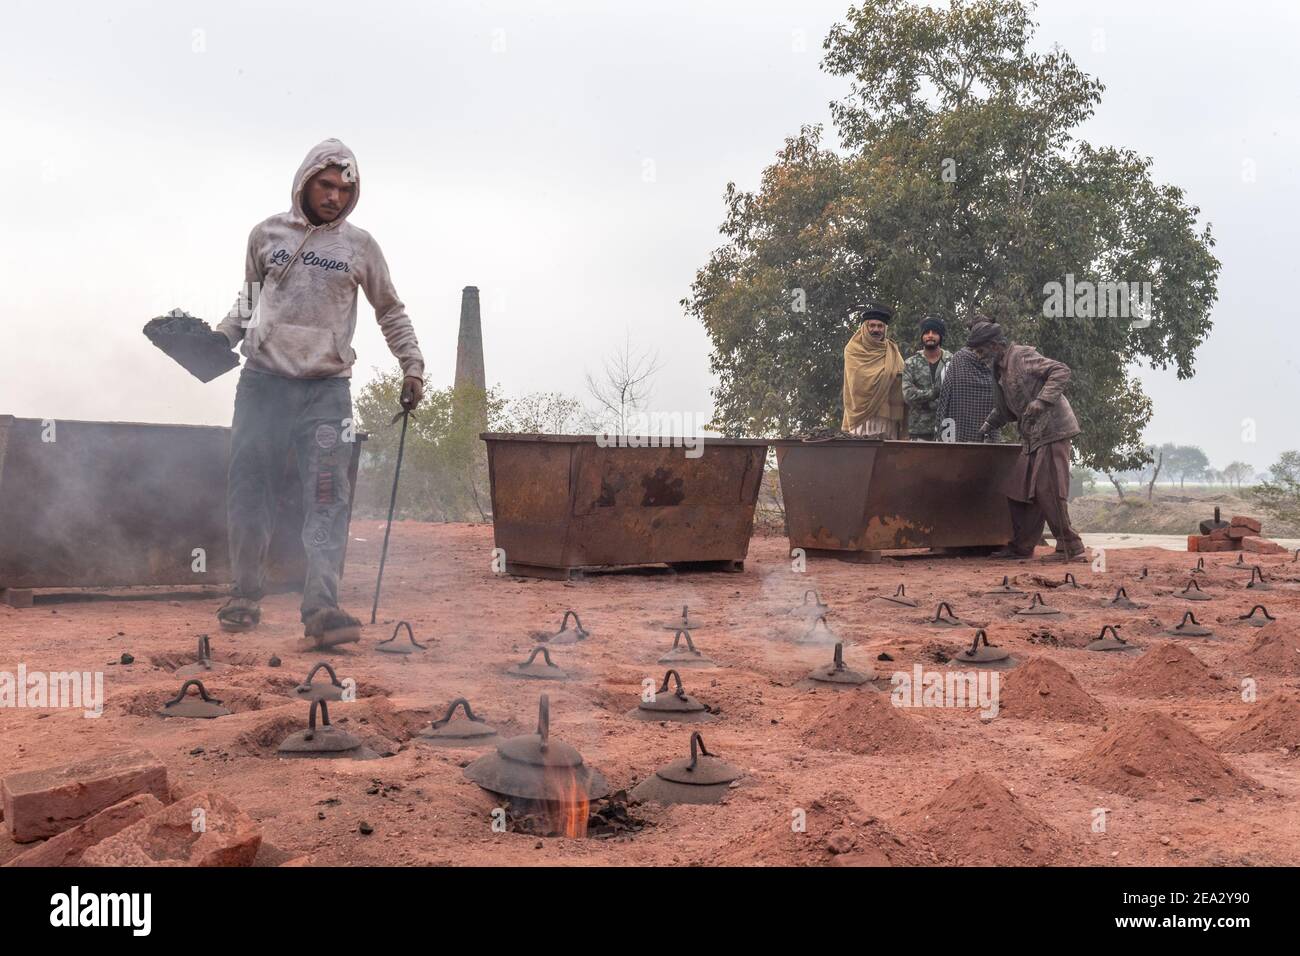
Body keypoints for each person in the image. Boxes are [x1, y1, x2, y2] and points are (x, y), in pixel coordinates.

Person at [211, 138, 426, 646]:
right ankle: (243, 595)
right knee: (249, 490)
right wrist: (214, 341)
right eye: (325, 185)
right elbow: (246, 302)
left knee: (328, 496)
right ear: (305, 181)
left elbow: (389, 309)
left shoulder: (359, 247)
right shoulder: (266, 234)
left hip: (327, 391)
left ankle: (321, 608)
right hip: (263, 382)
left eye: (344, 189)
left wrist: (411, 364)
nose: (334, 196)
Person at [971, 322, 1085, 561]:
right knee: (1018, 489)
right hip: (1033, 435)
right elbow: (1006, 410)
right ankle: (1021, 546)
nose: (979, 356)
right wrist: (987, 425)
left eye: (981, 351)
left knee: (1048, 488)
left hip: (1053, 429)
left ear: (994, 346)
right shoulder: (999, 369)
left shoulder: (1021, 356)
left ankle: (1069, 545)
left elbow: (1061, 370)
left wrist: (1042, 401)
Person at [841, 301, 905, 439]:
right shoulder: (852, 349)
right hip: (860, 419)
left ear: (885, 329)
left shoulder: (892, 350)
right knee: (860, 457)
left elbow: (903, 378)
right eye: (872, 325)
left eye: (880, 326)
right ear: (865, 327)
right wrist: (886, 376)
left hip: (886, 417)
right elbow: (858, 382)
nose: (876, 330)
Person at [935, 316, 997, 442]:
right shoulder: (959, 359)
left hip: (990, 424)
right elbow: (945, 397)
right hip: (960, 426)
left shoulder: (998, 360)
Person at [901, 315, 952, 440]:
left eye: (934, 332)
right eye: (926, 333)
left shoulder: (952, 361)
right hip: (919, 428)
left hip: (947, 427)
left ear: (940, 336)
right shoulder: (911, 363)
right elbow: (908, 395)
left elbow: (956, 395)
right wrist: (934, 393)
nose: (930, 336)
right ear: (922, 337)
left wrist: (924, 401)